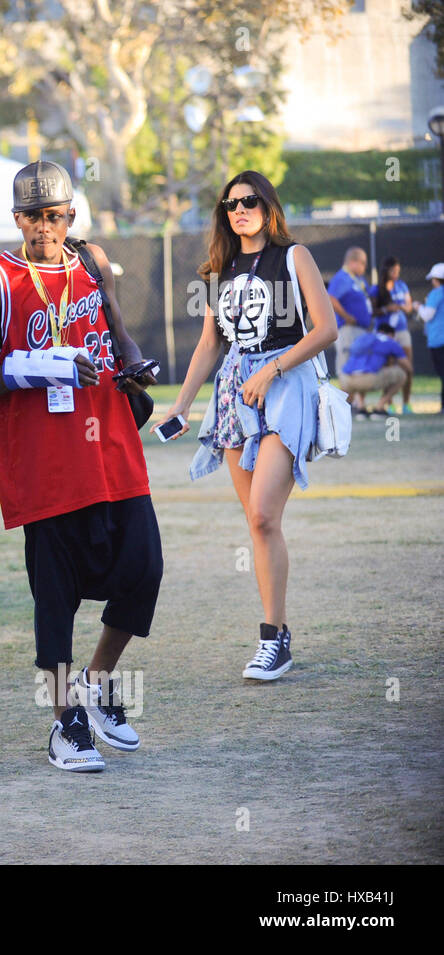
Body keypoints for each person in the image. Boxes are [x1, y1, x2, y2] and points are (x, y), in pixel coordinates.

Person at [0, 160, 161, 773]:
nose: (44, 227)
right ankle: (62, 723)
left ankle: (96, 684)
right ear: (16, 218)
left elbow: (118, 333)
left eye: (54, 216)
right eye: (32, 216)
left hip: (111, 447)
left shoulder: (93, 261)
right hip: (46, 461)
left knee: (144, 567)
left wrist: (133, 367)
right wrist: (39, 366)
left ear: (71, 215)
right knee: (55, 601)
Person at [154, 170, 337, 683]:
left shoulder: (294, 255)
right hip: (236, 390)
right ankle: (277, 637)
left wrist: (274, 368)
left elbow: (326, 329)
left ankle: (270, 638)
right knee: (258, 525)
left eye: (249, 200)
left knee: (262, 514)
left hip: (284, 386)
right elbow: (210, 344)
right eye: (230, 204)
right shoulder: (219, 269)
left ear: (267, 204)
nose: (239, 210)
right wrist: (181, 404)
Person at [370, 257, 416, 413]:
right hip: (385, 333)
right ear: (386, 271)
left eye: (398, 271)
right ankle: (388, 403)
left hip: (401, 331)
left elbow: (409, 307)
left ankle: (406, 403)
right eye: (393, 271)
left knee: (408, 368)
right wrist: (386, 309)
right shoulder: (377, 289)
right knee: (387, 367)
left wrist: (402, 307)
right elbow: (372, 311)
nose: (396, 274)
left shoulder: (402, 286)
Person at [326, 247, 372, 401]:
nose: (364, 267)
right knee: (347, 367)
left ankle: (359, 404)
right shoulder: (342, 278)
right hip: (348, 330)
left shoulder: (358, 279)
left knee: (360, 366)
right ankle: (346, 404)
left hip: (361, 329)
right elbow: (331, 298)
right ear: (353, 262)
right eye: (363, 263)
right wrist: (346, 316)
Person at [338, 322, 412, 417]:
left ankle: (361, 408)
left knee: (361, 371)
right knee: (402, 374)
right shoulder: (390, 341)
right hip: (368, 379)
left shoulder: (363, 337)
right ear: (391, 334)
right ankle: (379, 407)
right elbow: (408, 367)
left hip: (345, 380)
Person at [420, 262, 444, 412]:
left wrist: (418, 307)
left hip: (438, 340)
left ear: (436, 279)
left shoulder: (436, 293)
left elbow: (427, 315)